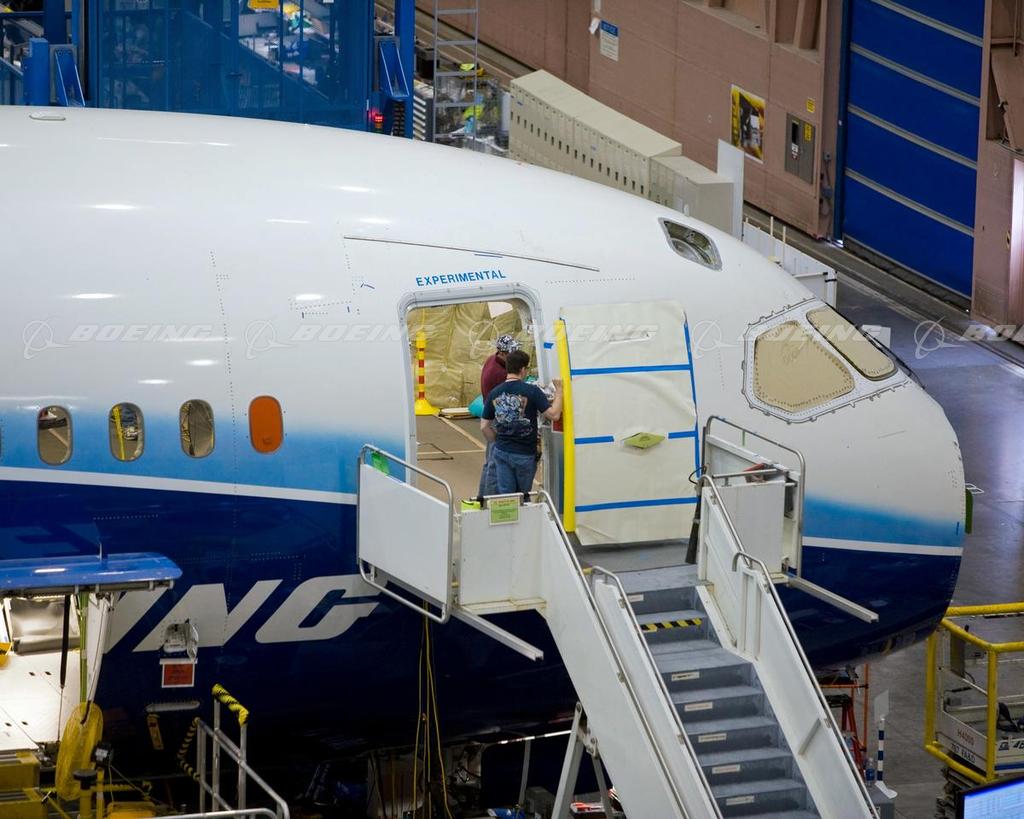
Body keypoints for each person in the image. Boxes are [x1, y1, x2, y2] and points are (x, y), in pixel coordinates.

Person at [481, 350, 562, 496]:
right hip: (524, 453)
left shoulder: (494, 393)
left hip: (502, 451)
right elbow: (554, 415)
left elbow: (484, 426)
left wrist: (497, 440)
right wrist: (559, 390)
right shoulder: (532, 391)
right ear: (523, 369)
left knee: (506, 496)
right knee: (522, 496)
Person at [477, 334, 520, 497]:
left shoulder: (492, 360)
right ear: (502, 353)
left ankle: (482, 497)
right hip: (497, 418)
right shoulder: (499, 373)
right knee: (495, 463)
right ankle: (490, 499)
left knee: (490, 461)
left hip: (491, 414)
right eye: (511, 353)